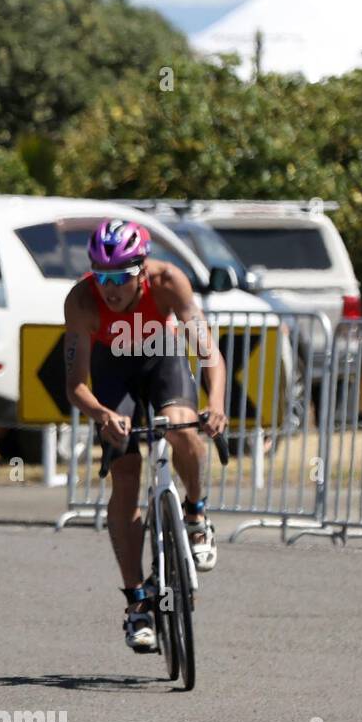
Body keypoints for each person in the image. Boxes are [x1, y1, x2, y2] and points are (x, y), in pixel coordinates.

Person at [62, 219, 226, 651]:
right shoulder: (81, 300)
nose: (111, 287)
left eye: (121, 276)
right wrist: (101, 414)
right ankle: (137, 603)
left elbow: (208, 352)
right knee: (127, 475)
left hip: (163, 360)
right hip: (113, 374)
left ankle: (195, 514)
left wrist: (219, 405)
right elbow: (75, 384)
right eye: (102, 276)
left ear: (143, 267)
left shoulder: (169, 281)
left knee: (180, 429)